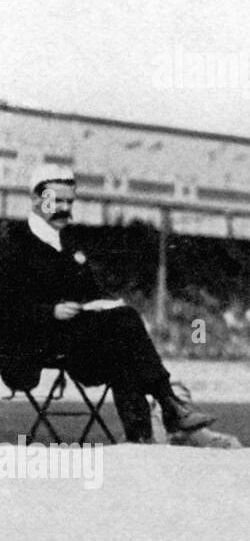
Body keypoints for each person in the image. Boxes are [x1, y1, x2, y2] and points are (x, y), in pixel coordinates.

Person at [0, 165, 215, 443]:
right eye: (58, 201)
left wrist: (103, 303)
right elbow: (5, 310)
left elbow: (90, 292)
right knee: (125, 322)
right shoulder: (13, 244)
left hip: (72, 341)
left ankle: (141, 440)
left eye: (69, 201)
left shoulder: (69, 243)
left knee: (123, 350)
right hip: (31, 343)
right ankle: (169, 404)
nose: (65, 208)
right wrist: (50, 311)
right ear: (37, 200)